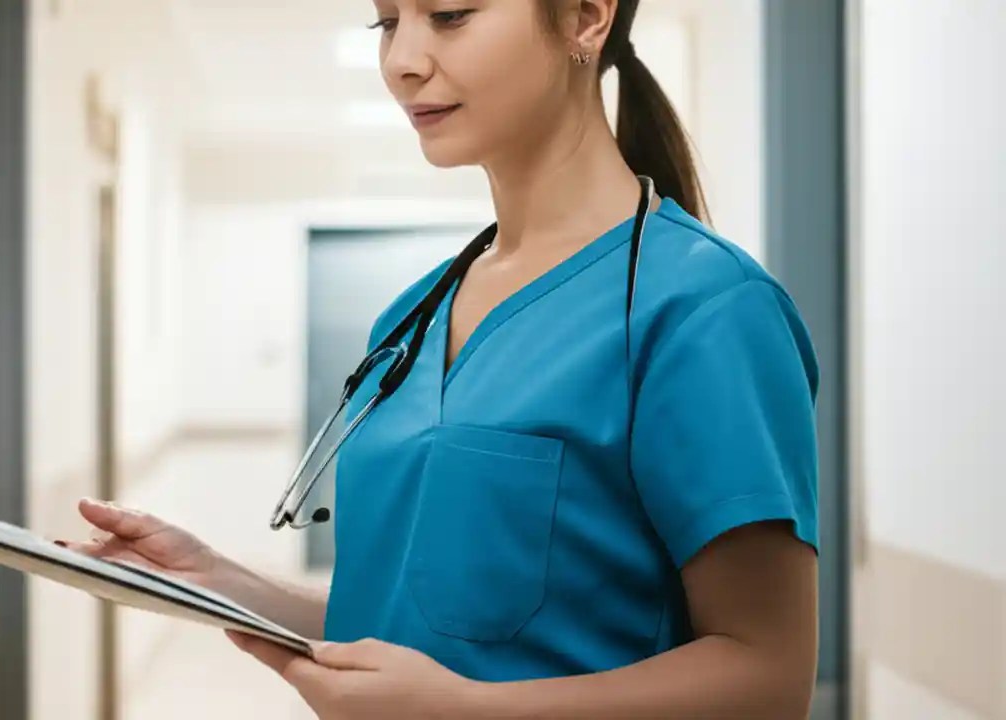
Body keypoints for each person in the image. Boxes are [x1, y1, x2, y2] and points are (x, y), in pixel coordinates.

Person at [60, 0, 821, 716]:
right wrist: (215, 581)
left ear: (587, 15)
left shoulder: (704, 310)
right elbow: (418, 621)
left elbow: (767, 677)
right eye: (388, 22)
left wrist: (470, 713)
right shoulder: (412, 317)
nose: (401, 61)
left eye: (450, 16)